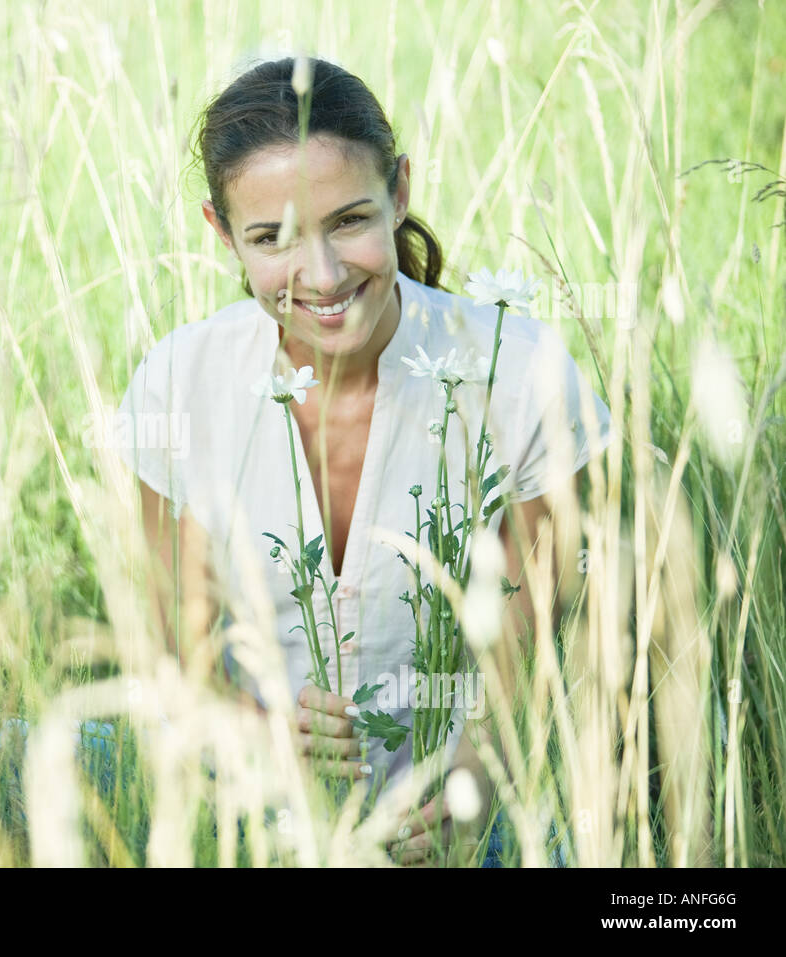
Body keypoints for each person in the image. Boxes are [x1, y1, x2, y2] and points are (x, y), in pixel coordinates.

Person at [116, 56, 614, 866]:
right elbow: (177, 649)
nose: (321, 275)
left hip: (467, 803)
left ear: (401, 193)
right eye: (269, 237)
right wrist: (260, 735)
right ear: (221, 233)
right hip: (248, 803)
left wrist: (471, 784)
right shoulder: (180, 383)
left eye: (349, 220)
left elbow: (533, 652)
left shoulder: (521, 375)